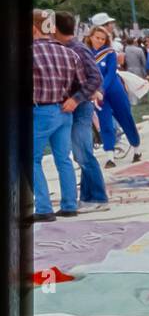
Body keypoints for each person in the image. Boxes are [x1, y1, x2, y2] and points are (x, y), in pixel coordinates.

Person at [31, 10, 87, 222]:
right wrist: (74, 100)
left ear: (33, 28)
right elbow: (83, 85)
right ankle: (69, 205)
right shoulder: (69, 53)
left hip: (41, 110)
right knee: (63, 159)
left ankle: (43, 207)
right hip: (65, 110)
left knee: (32, 159)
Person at [51, 12, 107, 214]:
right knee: (80, 153)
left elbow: (96, 78)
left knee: (83, 153)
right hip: (75, 104)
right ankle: (87, 196)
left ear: (54, 28)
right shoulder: (66, 48)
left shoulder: (78, 49)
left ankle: (98, 197)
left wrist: (76, 99)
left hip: (80, 106)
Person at [86, 25, 141, 170]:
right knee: (105, 123)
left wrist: (101, 89)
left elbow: (111, 73)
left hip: (114, 90)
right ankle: (110, 156)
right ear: (90, 37)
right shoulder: (85, 53)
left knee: (125, 118)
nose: (100, 41)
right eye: (97, 38)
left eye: (103, 39)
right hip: (98, 94)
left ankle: (136, 148)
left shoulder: (109, 52)